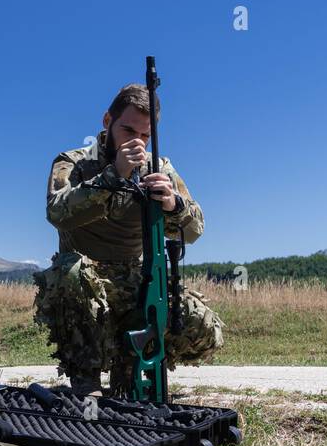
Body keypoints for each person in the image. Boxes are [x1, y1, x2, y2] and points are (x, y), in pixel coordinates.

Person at [34, 83, 224, 396]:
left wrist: (172, 204)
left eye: (145, 136)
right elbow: (58, 212)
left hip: (137, 281)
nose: (136, 141)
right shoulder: (75, 162)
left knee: (203, 326)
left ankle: (132, 371)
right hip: (87, 283)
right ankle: (86, 383)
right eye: (128, 130)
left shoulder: (159, 167)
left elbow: (194, 230)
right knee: (70, 272)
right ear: (107, 121)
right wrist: (114, 176)